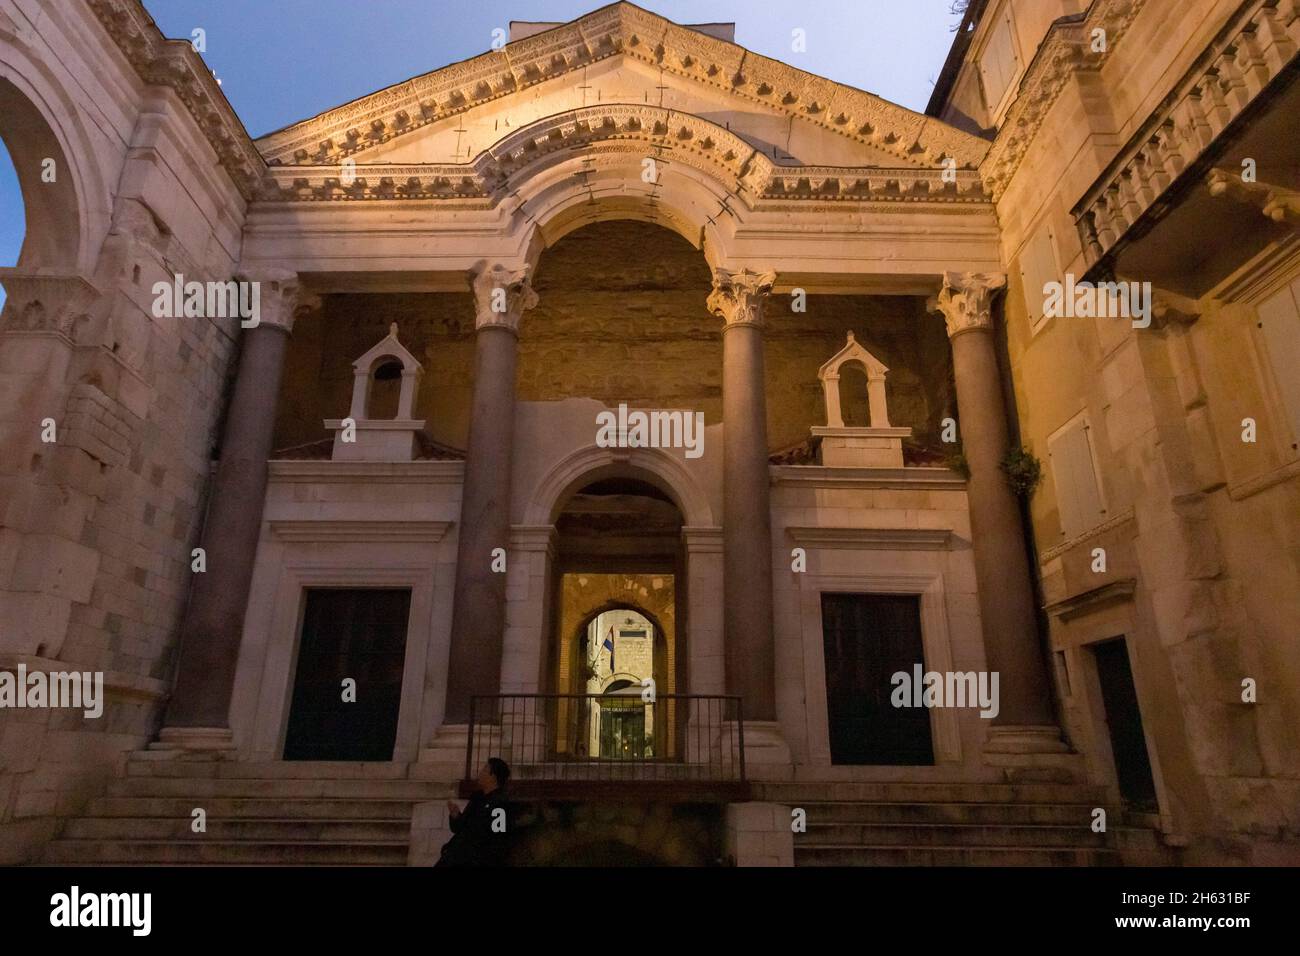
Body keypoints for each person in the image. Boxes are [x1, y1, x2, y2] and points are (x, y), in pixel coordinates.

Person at [435, 757, 511, 867]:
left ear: (492, 776)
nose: (480, 773)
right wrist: (456, 816)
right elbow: (459, 828)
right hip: (455, 856)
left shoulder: (499, 804)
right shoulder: (477, 798)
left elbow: (497, 842)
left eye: (485, 769)